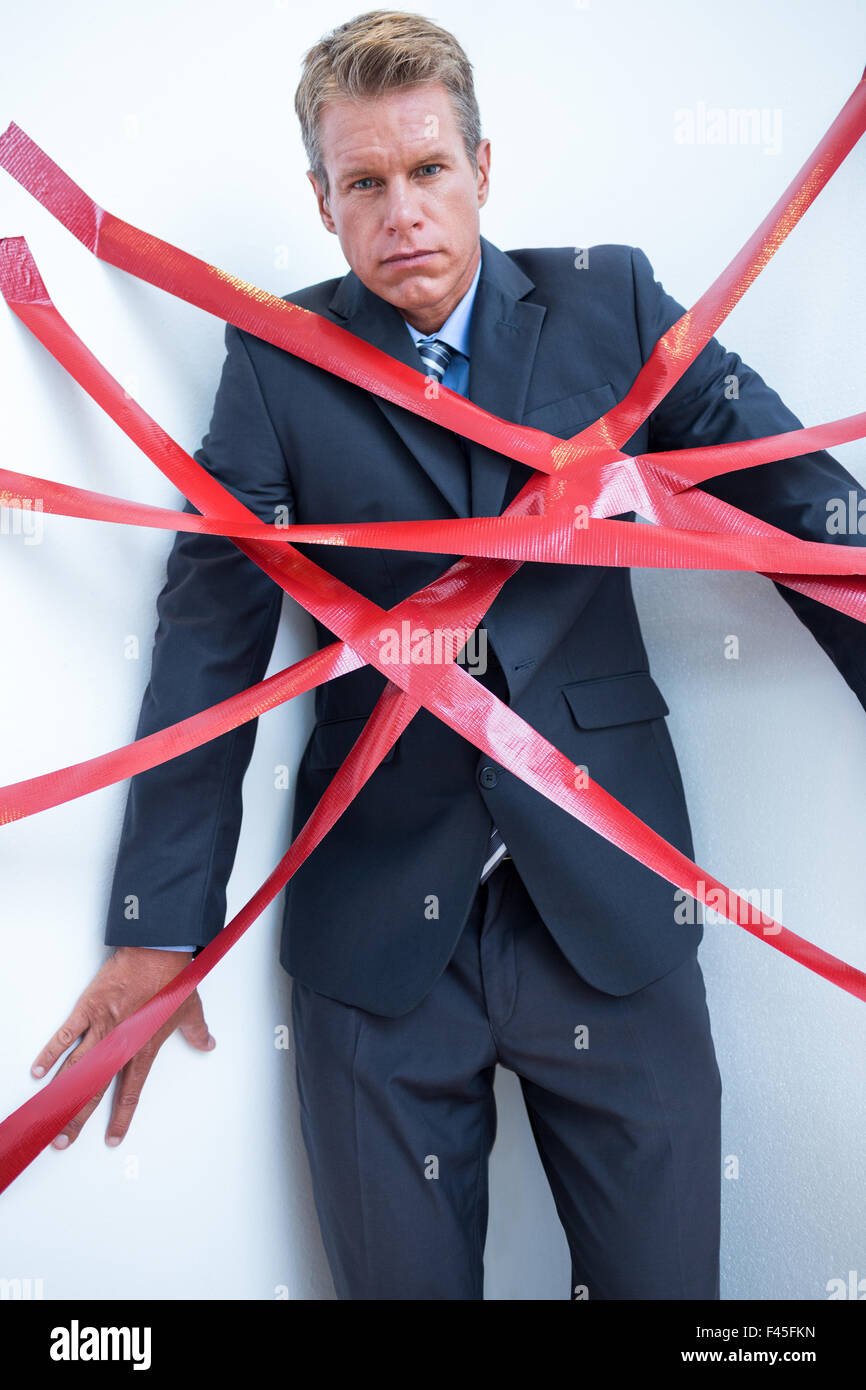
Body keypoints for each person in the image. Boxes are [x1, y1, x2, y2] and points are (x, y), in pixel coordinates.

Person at [30, 11, 866, 1299]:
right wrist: (158, 925)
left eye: (428, 170)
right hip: (377, 945)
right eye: (363, 182)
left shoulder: (612, 301)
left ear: (485, 167)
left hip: (613, 906)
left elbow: (790, 495)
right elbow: (210, 637)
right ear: (322, 199)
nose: (402, 210)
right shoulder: (275, 364)